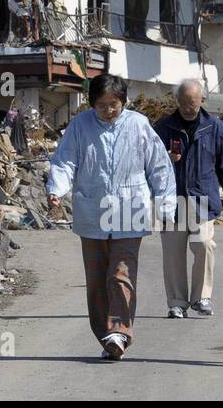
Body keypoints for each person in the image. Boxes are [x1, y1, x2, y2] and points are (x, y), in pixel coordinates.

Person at [48, 74, 175, 360]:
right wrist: (57, 189)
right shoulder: (80, 126)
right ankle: (106, 337)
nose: (108, 111)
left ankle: (119, 330)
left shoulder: (139, 125)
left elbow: (159, 167)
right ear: (92, 103)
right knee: (96, 281)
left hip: (131, 212)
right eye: (102, 105)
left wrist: (166, 206)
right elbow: (65, 160)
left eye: (114, 105)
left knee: (121, 275)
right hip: (92, 214)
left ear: (123, 102)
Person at [154, 78, 223, 318]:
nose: (188, 107)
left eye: (193, 102)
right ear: (177, 101)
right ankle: (177, 302)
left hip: (202, 199)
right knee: (173, 255)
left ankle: (202, 297)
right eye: (184, 102)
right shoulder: (163, 127)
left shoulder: (215, 127)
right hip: (171, 200)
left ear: (203, 100)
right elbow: (149, 163)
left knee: (204, 245)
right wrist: (165, 159)